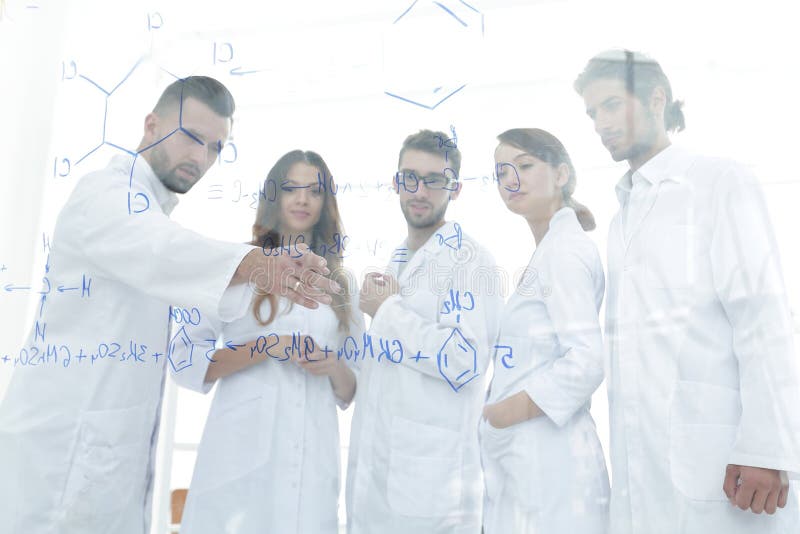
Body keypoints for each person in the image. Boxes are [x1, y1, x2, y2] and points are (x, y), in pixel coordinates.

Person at [0, 77, 339, 534]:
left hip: (107, 462)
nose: (200, 158)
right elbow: (160, 250)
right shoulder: (104, 194)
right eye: (191, 137)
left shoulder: (152, 213)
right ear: (151, 123)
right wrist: (257, 264)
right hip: (60, 455)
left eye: (215, 148)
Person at [575, 49, 800, 533]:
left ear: (657, 99)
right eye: (593, 113)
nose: (600, 123)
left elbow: (764, 318)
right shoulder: (622, 217)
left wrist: (766, 446)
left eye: (612, 104)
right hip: (645, 459)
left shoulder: (717, 181)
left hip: (724, 460)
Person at [170, 149, 363, 533]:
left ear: (326, 202)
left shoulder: (341, 282)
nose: (303, 199)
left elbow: (352, 387)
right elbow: (183, 361)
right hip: (238, 459)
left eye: (314, 190)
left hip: (312, 460)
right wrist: (266, 347)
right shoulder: (234, 266)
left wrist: (333, 365)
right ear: (275, 196)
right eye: (292, 188)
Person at [346, 130, 503, 534]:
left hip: (433, 493)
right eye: (409, 178)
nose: (420, 190)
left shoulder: (471, 261)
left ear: (456, 188)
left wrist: (387, 312)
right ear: (396, 183)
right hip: (379, 481)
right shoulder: (396, 260)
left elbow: (465, 361)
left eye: (435, 180)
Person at [480, 128, 610, 532]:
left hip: (552, 464)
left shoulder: (566, 251)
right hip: (532, 464)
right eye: (502, 171)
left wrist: (500, 415)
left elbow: (587, 361)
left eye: (524, 165)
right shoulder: (550, 251)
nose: (510, 180)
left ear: (561, 175)